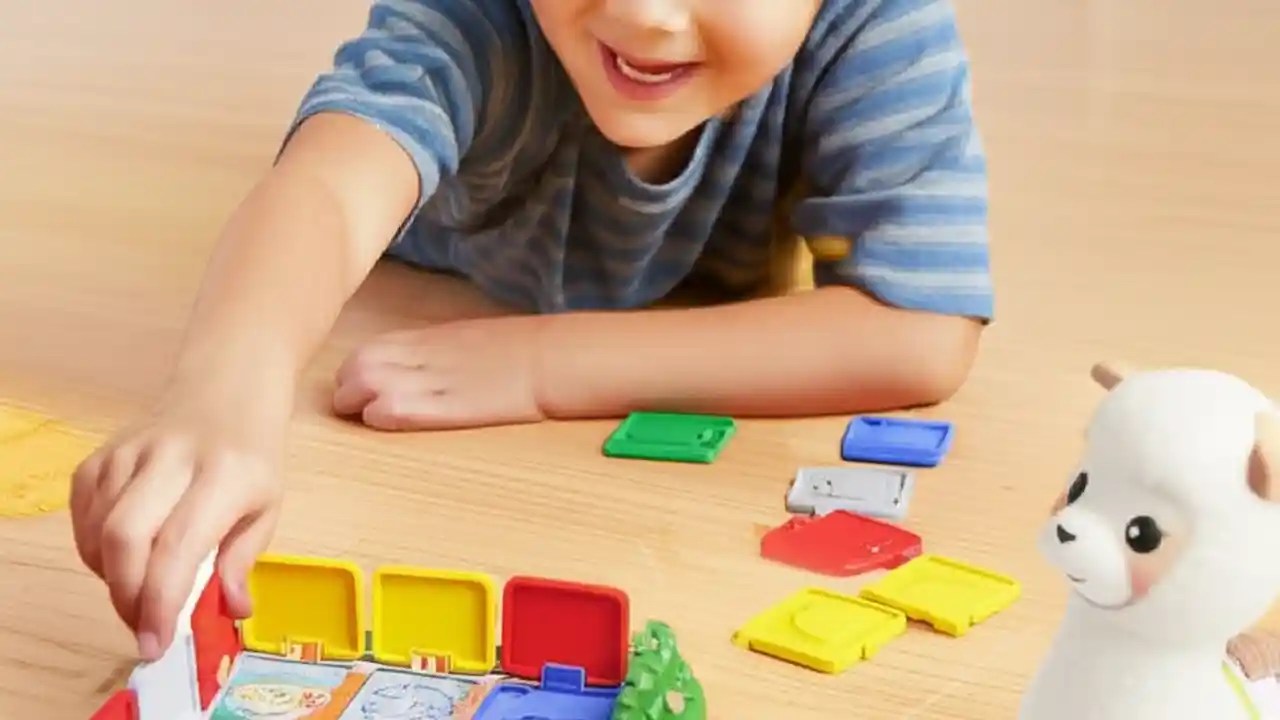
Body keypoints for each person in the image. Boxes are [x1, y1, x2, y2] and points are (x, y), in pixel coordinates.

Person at [70, 0, 993, 661]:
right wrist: (222, 391)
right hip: (432, 272)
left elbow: (920, 327)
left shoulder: (880, 27)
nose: (647, 17)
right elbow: (330, 185)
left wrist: (551, 362)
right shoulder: (479, 19)